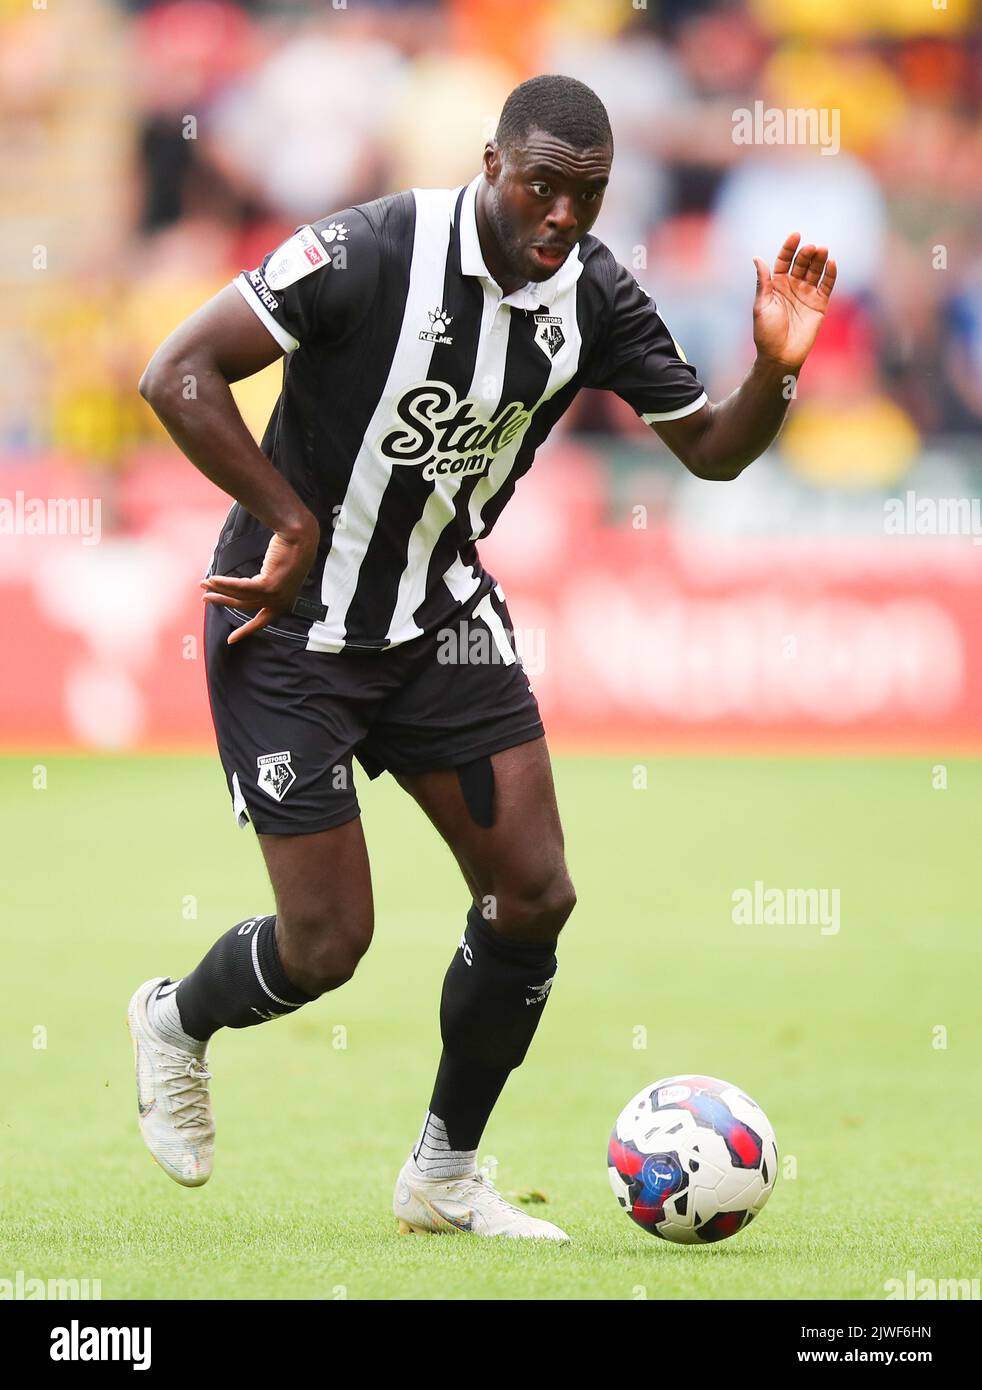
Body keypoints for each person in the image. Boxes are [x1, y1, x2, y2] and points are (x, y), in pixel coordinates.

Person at [131, 74, 835, 1242]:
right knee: (326, 946)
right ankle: (174, 1018)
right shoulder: (365, 250)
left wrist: (773, 369)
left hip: (440, 621)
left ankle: (445, 1174)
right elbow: (177, 375)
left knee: (535, 892)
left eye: (589, 194)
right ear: (492, 165)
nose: (564, 215)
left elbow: (709, 451)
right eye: (543, 187)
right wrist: (289, 518)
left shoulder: (594, 296)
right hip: (288, 624)